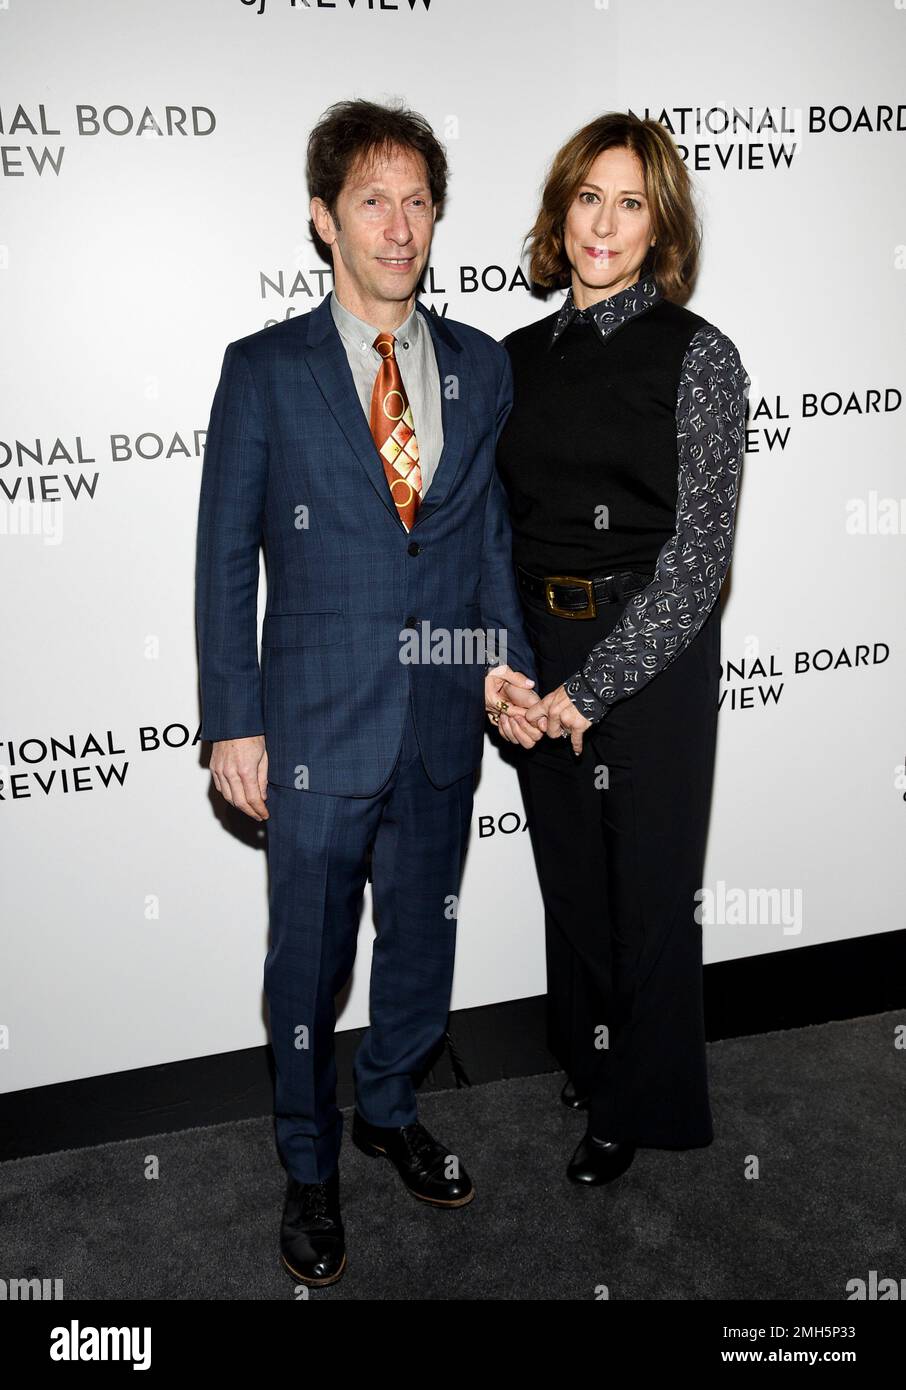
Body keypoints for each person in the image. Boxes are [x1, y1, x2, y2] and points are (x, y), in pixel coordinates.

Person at [194, 97, 541, 1287]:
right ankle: (308, 1162)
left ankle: (388, 1106)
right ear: (323, 218)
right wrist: (231, 719)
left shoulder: (482, 366)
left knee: (419, 948)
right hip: (313, 730)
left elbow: (487, 528)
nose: (398, 227)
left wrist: (505, 660)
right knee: (307, 963)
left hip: (445, 721)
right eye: (371, 201)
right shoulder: (265, 372)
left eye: (417, 201)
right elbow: (222, 554)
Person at [495, 112, 750, 1186]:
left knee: (645, 888)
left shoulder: (700, 356)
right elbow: (487, 530)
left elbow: (699, 558)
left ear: (661, 228)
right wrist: (506, 670)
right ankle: (593, 1057)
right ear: (562, 212)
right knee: (575, 885)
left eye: (631, 202)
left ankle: (639, 1101)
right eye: (588, 197)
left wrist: (593, 686)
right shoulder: (511, 360)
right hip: (538, 638)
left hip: (651, 653)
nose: (605, 222)